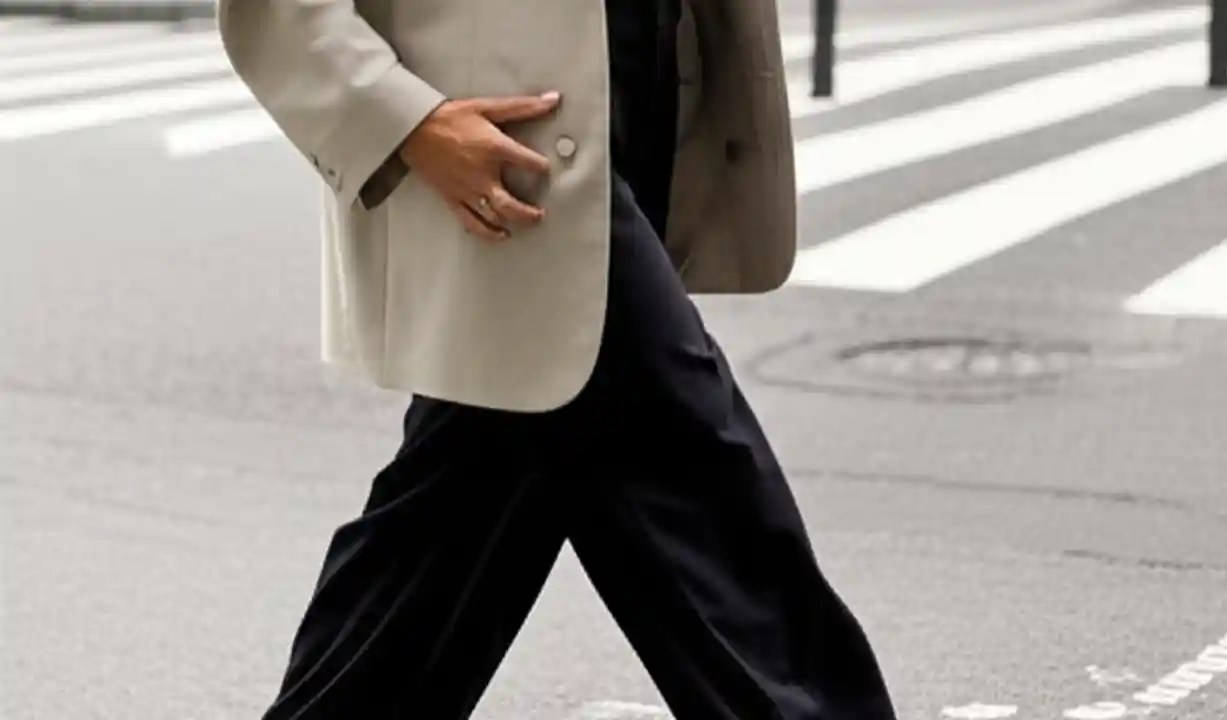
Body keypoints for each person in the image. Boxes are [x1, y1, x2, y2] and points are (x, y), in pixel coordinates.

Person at [216, 0, 898, 717]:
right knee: (697, 473)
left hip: (629, 93)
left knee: (460, 515)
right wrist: (404, 119)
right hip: (502, 147)